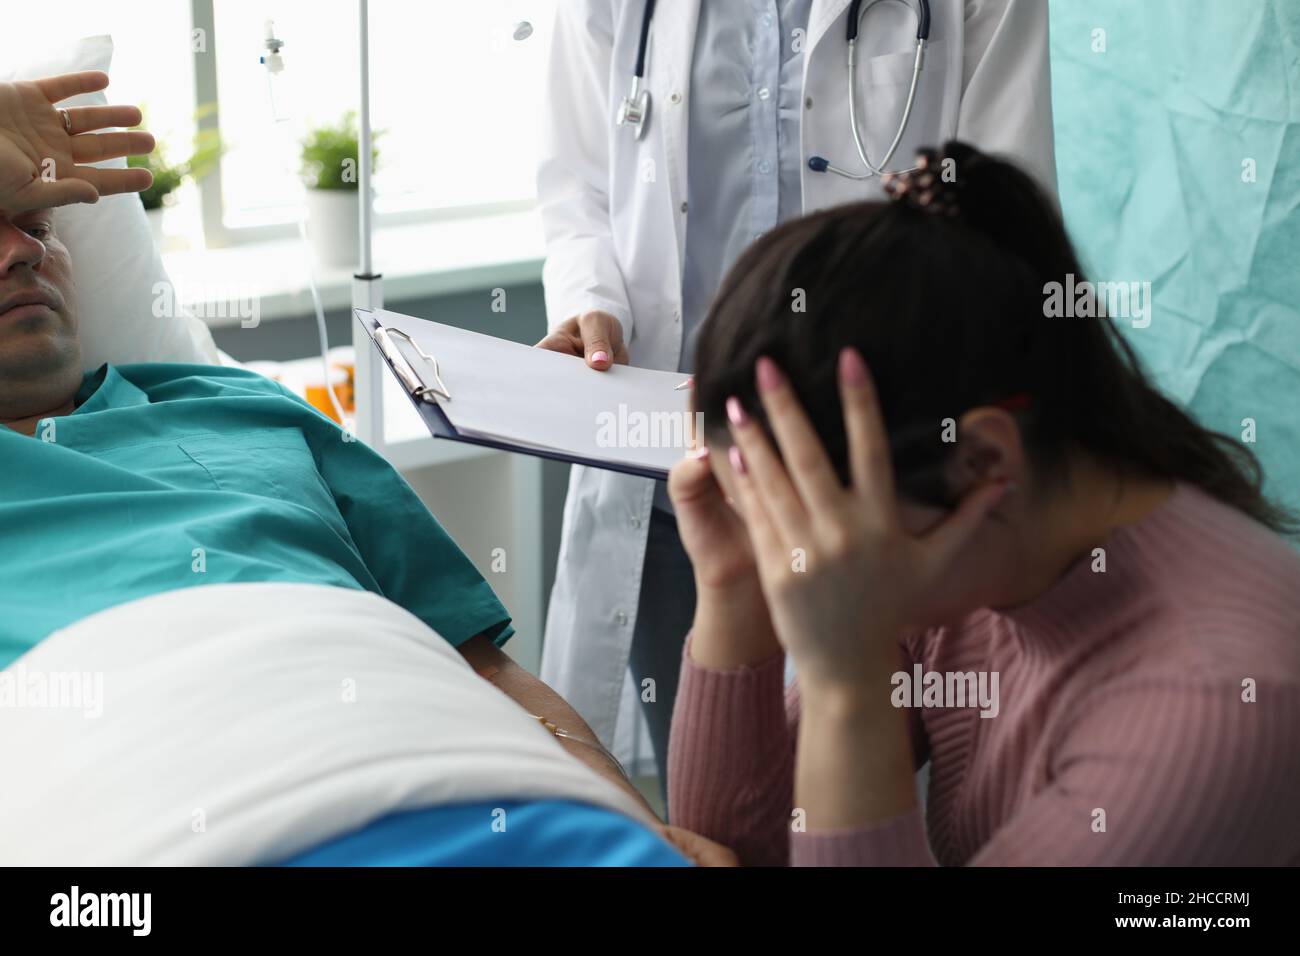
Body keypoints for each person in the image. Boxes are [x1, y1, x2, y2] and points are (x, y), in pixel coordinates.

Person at [0, 72, 730, 865]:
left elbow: (480, 664)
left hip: (467, 788)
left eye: (37, 222)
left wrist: (624, 816)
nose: (21, 251)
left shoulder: (245, 407)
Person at [665, 142, 1300, 865]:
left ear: (984, 460)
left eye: (799, 515)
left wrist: (850, 685)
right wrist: (734, 583)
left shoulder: (1217, 704)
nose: (797, 551)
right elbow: (739, 849)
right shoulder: (971, 550)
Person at [535, 0, 1059, 791]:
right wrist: (587, 297)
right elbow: (575, 192)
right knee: (717, 793)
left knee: (871, 795)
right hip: (679, 491)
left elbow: (1005, 215)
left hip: (881, 487)